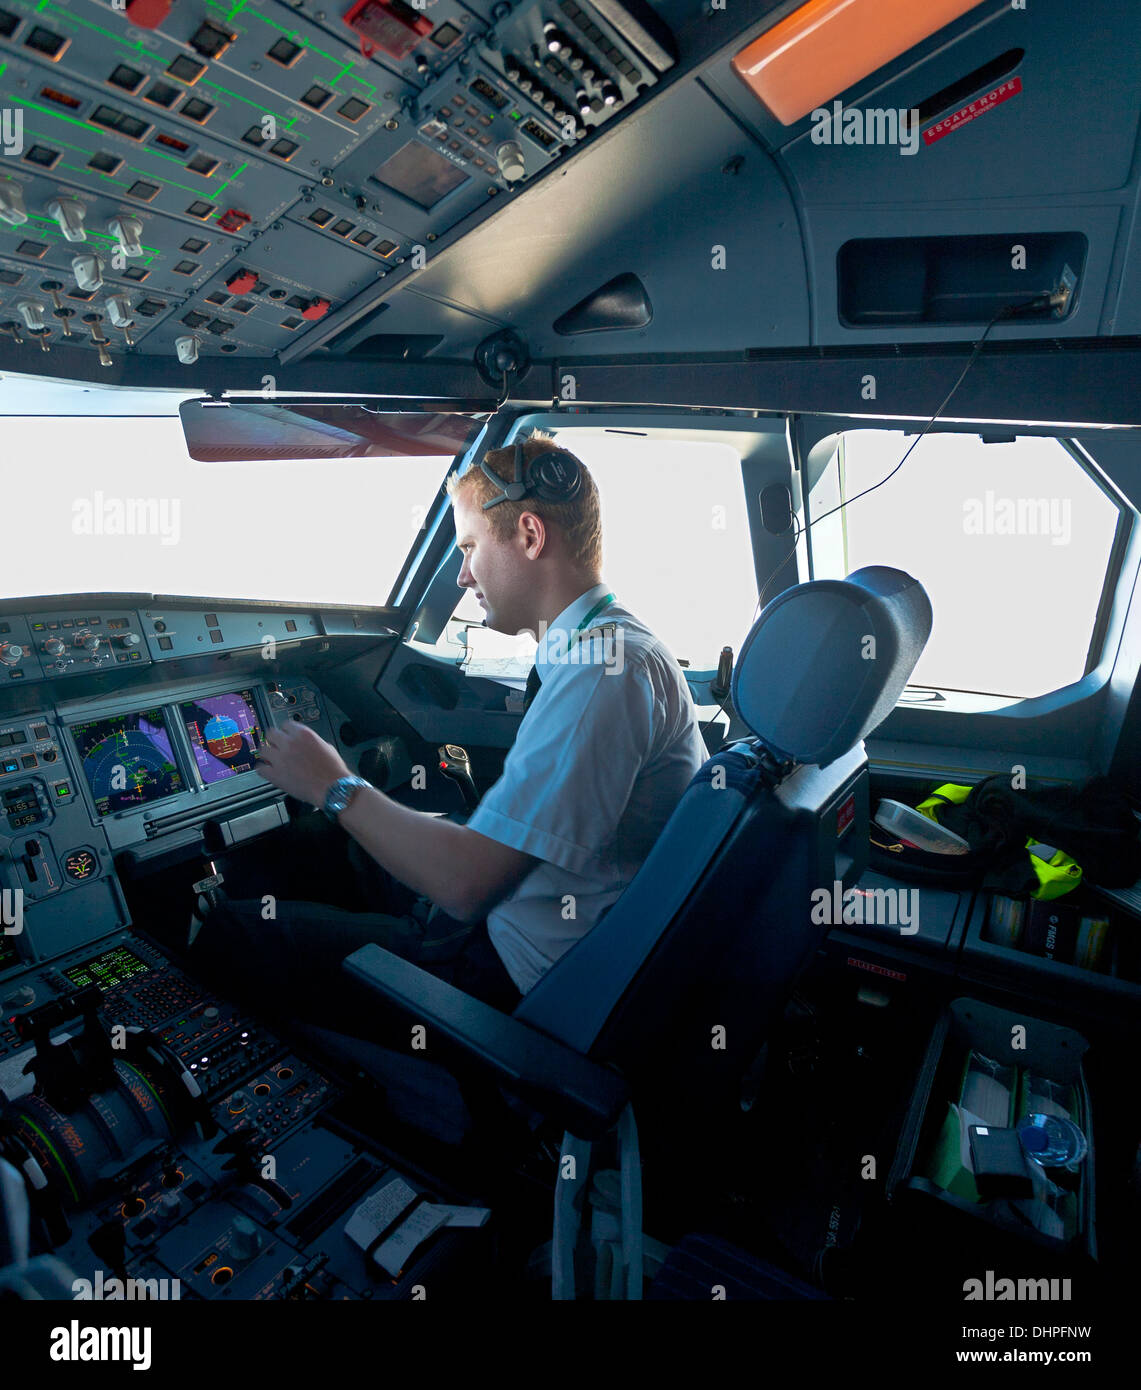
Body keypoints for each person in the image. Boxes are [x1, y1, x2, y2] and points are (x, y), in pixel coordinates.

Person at [191, 433, 707, 1038]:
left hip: (511, 977)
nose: (462, 575)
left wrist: (334, 786)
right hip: (546, 924)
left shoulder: (599, 674)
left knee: (238, 932)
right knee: (345, 851)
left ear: (531, 537)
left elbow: (466, 887)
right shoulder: (613, 648)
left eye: (469, 548)